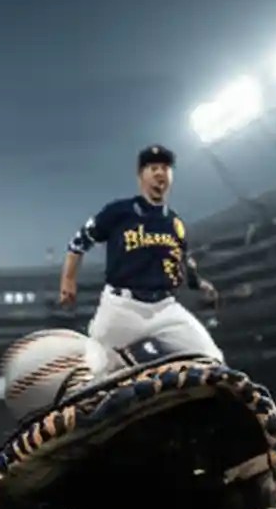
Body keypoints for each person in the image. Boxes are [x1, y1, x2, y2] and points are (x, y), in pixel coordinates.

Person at [58, 144, 224, 362]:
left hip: (164, 308)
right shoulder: (118, 212)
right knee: (94, 373)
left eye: (165, 168)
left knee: (212, 360)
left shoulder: (175, 223)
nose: (159, 173)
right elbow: (78, 242)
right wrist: (68, 280)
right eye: (152, 168)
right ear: (140, 177)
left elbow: (183, 260)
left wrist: (200, 284)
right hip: (121, 307)